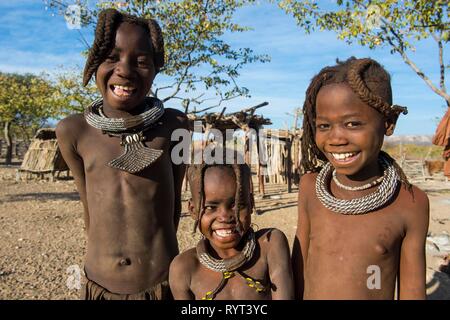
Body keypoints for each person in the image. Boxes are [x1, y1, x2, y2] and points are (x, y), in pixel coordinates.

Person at [56, 8, 188, 300]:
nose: (125, 70)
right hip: (99, 286)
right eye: (111, 57)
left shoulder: (176, 126)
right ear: (94, 63)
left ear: (155, 69)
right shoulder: (72, 131)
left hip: (161, 284)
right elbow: (88, 207)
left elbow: (175, 204)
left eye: (141, 61)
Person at [293, 57, 429, 300]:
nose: (336, 138)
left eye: (353, 123)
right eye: (324, 126)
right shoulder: (310, 189)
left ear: (388, 123)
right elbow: (298, 268)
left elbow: (412, 292)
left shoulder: (411, 203)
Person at [169, 156, 294, 300]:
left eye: (237, 205)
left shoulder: (270, 245)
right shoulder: (184, 269)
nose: (225, 217)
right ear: (193, 210)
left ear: (251, 204)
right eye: (210, 207)